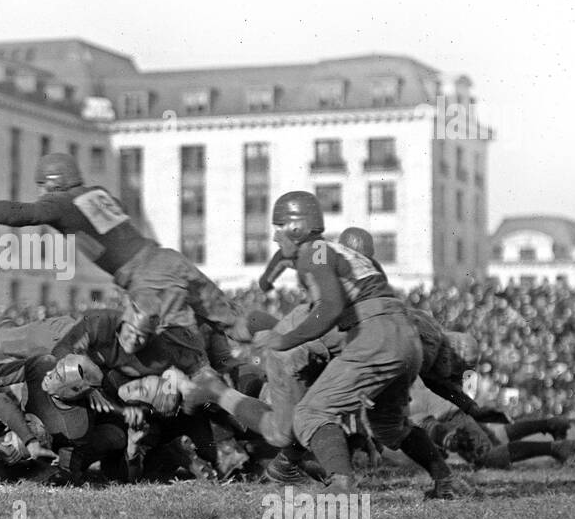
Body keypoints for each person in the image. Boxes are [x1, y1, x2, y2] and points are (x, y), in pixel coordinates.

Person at [181, 190, 456, 498]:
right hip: (404, 333)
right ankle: (445, 478)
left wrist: (285, 338)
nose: (274, 237)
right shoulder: (332, 251)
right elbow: (294, 260)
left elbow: (330, 306)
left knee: (310, 413)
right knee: (390, 425)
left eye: (279, 227)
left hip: (371, 334)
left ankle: (341, 485)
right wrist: (268, 277)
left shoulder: (313, 253)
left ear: (296, 228)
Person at [0, 152, 249, 351]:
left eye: (42, 187)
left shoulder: (60, 202)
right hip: (169, 260)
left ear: (52, 183)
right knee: (235, 323)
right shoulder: (97, 193)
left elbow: (20, 214)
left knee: (182, 355)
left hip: (148, 277)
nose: (40, 194)